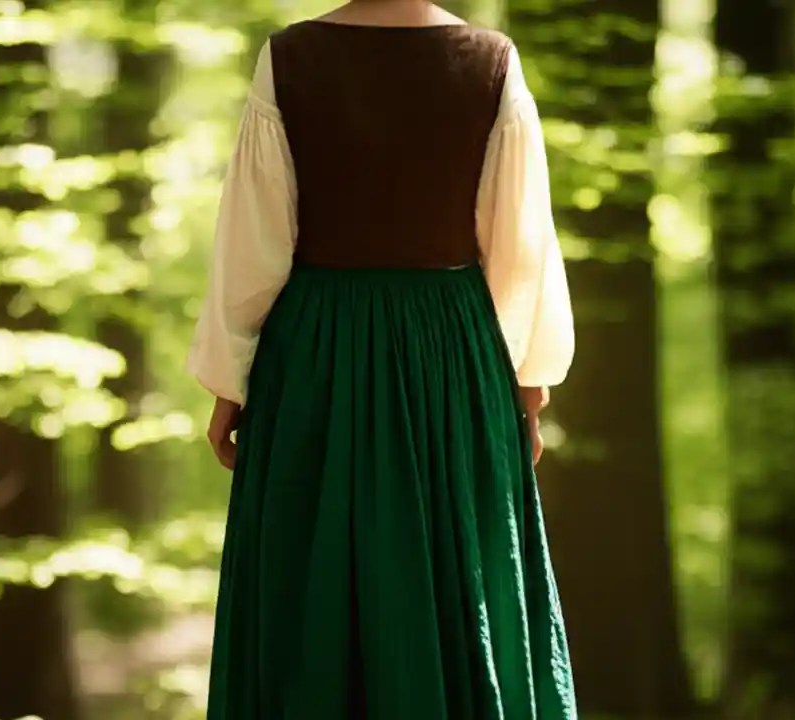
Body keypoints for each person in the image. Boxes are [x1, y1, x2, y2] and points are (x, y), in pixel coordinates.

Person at [186, 1, 577, 717]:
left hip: (316, 353)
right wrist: (528, 381)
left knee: (314, 575)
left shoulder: (291, 58)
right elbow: (519, 243)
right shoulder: (489, 62)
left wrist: (230, 381)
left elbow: (256, 237)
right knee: (456, 567)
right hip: (451, 352)